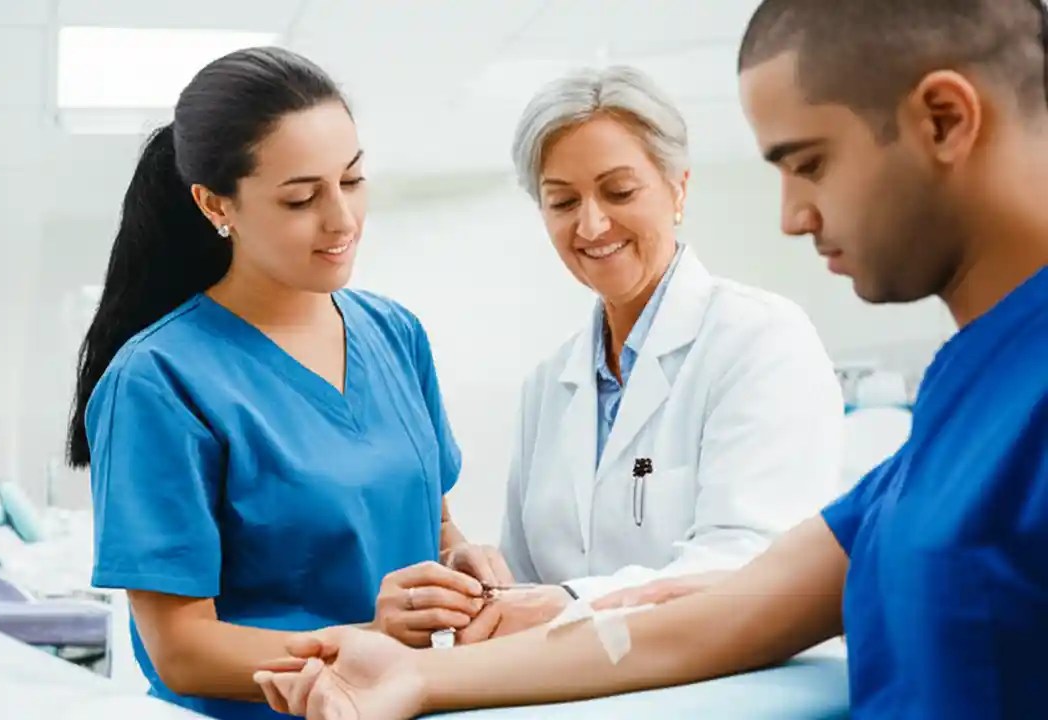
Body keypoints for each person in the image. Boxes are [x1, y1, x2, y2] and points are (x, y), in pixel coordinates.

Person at [252, 0, 1048, 716]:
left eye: (809, 163)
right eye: (561, 201)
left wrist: (557, 606)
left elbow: (736, 576)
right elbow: (722, 611)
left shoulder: (778, 341)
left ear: (945, 120)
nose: (791, 217)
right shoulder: (961, 397)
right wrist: (422, 667)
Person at [67, 47, 499, 720]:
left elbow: (431, 521)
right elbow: (182, 649)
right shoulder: (158, 381)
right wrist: (369, 642)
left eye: (352, 182)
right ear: (217, 205)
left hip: (412, 703)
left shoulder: (395, 334)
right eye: (301, 198)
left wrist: (460, 564)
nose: (342, 221)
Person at [442, 65, 843, 642]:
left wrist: (569, 605)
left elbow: (750, 568)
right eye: (562, 201)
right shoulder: (548, 386)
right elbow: (527, 583)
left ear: (678, 188)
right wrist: (482, 595)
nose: (592, 223)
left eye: (619, 191)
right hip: (571, 695)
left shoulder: (760, 340)